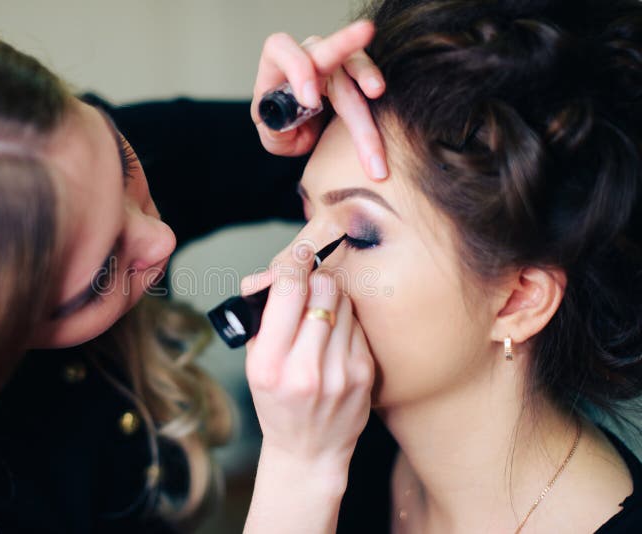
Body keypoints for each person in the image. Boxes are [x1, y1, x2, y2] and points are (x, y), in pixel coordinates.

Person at [0, 9, 387, 534]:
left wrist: (311, 121)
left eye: (125, 162)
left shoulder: (62, 167)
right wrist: (301, 473)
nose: (162, 238)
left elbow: (375, 180)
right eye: (101, 273)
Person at [241, 0, 642, 532]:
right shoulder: (345, 437)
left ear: (519, 299)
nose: (287, 267)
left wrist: (298, 473)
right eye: (307, 211)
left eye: (360, 236)